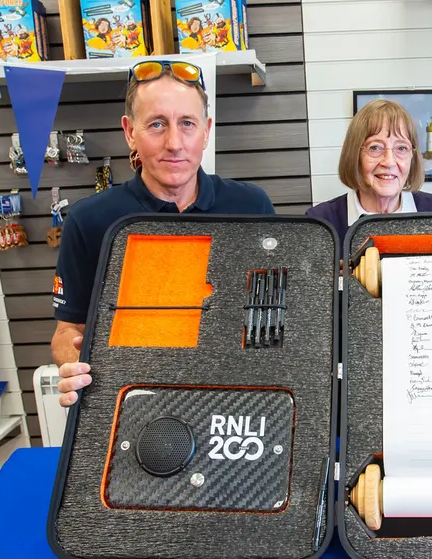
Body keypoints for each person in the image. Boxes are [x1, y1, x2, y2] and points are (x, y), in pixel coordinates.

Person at [52, 60, 275, 407]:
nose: (174, 142)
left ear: (206, 130)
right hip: (135, 404)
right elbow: (68, 330)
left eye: (187, 123)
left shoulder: (252, 206)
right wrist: (72, 364)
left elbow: (273, 315)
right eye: (157, 124)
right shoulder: (88, 219)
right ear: (130, 132)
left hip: (234, 401)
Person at [305, 99, 432, 247]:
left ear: (412, 156)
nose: (389, 162)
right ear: (354, 154)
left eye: (401, 148)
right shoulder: (319, 223)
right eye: (375, 147)